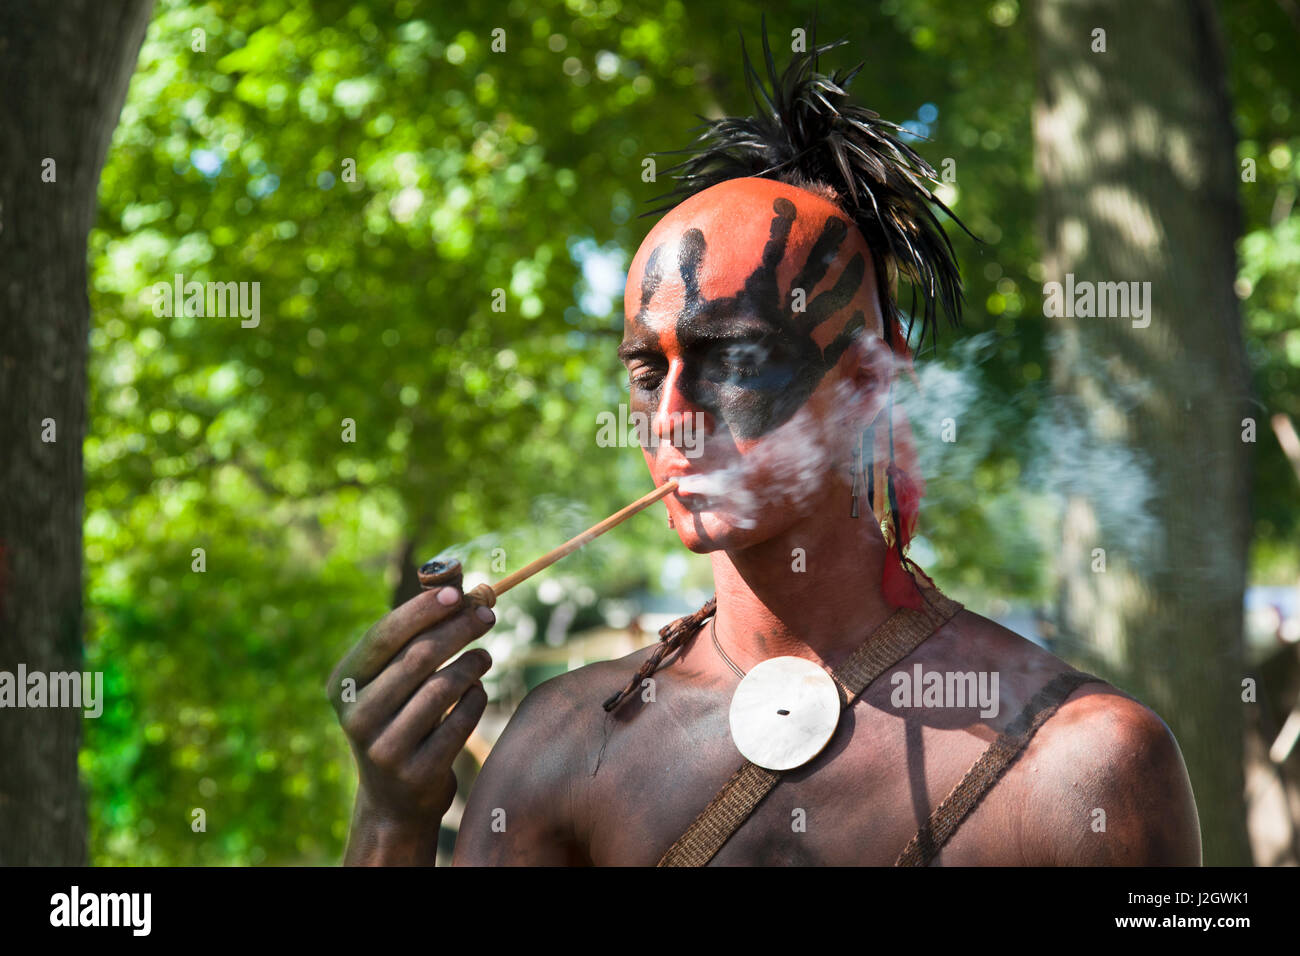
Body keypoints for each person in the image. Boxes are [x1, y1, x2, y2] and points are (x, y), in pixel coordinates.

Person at [327, 31, 1200, 866]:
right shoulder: (564, 748)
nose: (671, 415)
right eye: (645, 368)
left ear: (866, 385)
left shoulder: (1081, 765)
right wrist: (391, 820)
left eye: (731, 360)